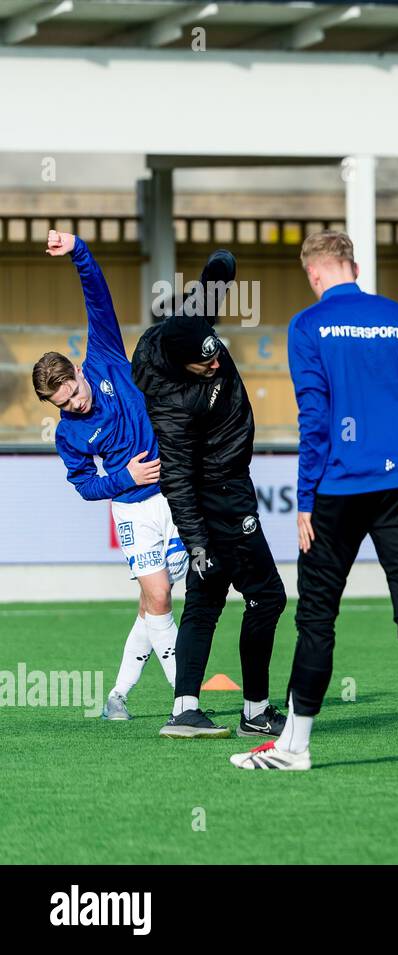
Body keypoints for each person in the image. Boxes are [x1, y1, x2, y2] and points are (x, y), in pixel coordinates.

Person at [230, 231, 398, 772]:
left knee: (317, 619)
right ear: (353, 267)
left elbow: (315, 416)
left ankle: (295, 748)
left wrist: (305, 497)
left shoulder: (307, 325)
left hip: (335, 490)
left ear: (314, 275)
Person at [132, 252, 287, 740]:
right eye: (208, 361)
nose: (218, 362)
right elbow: (176, 479)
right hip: (221, 494)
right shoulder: (172, 404)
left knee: (205, 599)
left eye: (216, 350)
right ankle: (255, 712)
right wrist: (196, 543)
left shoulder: (183, 332)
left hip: (225, 486)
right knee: (268, 597)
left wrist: (218, 273)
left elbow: (204, 302)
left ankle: (184, 711)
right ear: (183, 365)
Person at [31, 231, 185, 719]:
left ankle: (117, 695)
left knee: (154, 600)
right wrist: (126, 477)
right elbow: (85, 487)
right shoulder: (68, 434)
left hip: (175, 495)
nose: (75, 404)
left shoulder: (105, 357)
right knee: (159, 596)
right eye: (62, 404)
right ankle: (186, 699)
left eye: (74, 393)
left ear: (78, 371)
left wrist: (78, 249)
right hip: (134, 509)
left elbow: (97, 294)